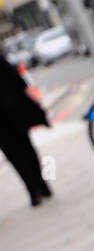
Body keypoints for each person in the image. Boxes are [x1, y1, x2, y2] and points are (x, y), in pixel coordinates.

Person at [0, 52, 53, 206]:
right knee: (27, 149)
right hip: (13, 110)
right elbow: (16, 78)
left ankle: (33, 191)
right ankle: (43, 186)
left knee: (15, 156)